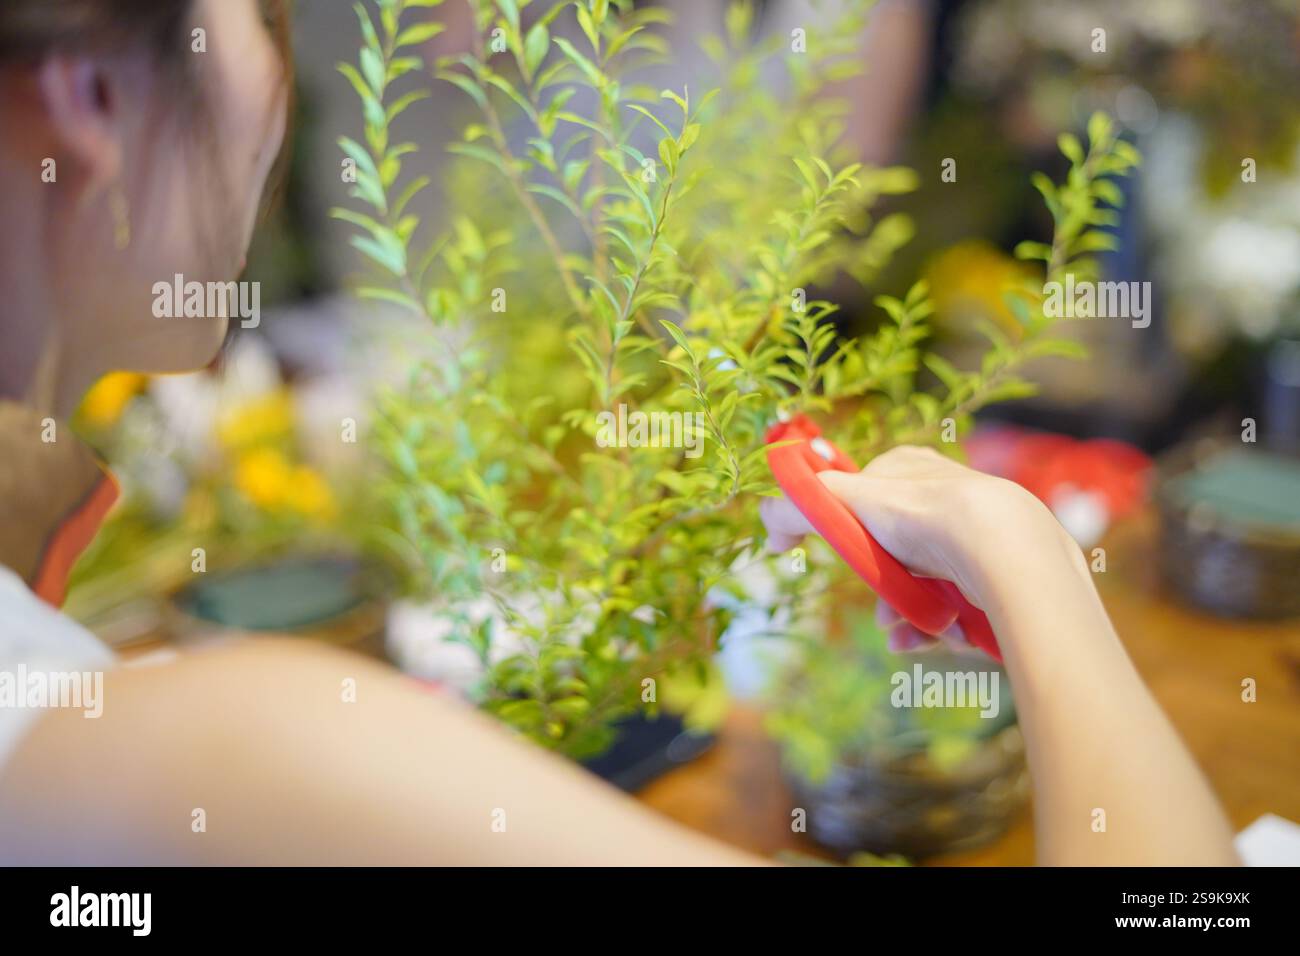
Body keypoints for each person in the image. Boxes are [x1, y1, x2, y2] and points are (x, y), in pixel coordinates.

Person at [0, 0, 1238, 866]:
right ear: (91, 95)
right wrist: (1028, 565)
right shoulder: (204, 749)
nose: (283, 73)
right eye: (254, 12)